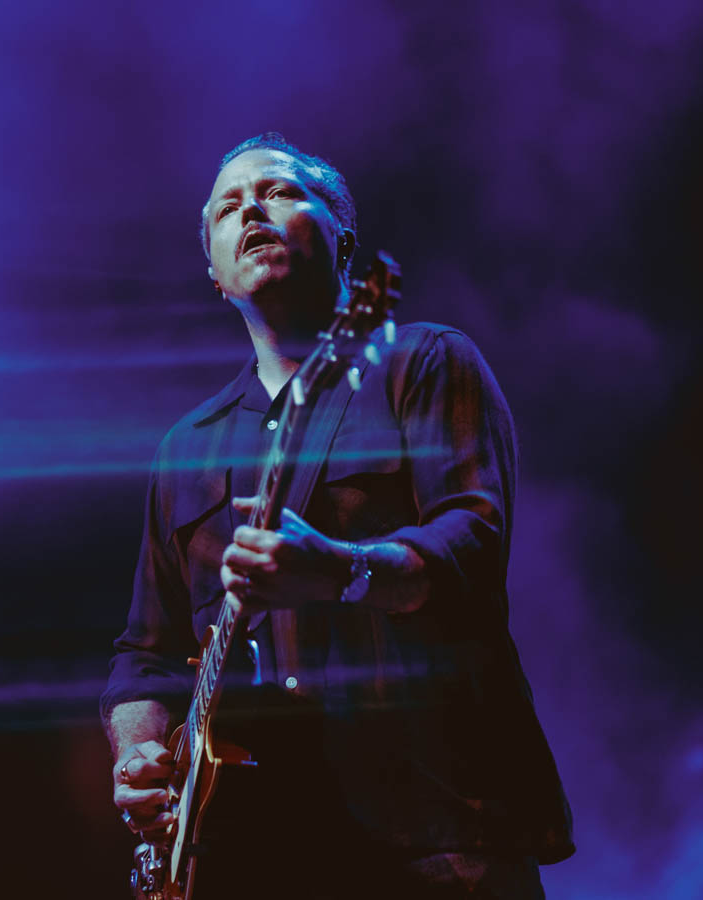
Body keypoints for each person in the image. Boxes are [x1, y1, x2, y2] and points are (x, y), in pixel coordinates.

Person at [100, 133, 573, 898]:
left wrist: (341, 570)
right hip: (263, 851)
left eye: (281, 192)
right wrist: (142, 755)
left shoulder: (422, 361)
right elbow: (143, 654)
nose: (251, 206)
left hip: (438, 828)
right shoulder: (185, 447)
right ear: (217, 276)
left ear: (342, 236)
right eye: (227, 206)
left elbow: (472, 541)